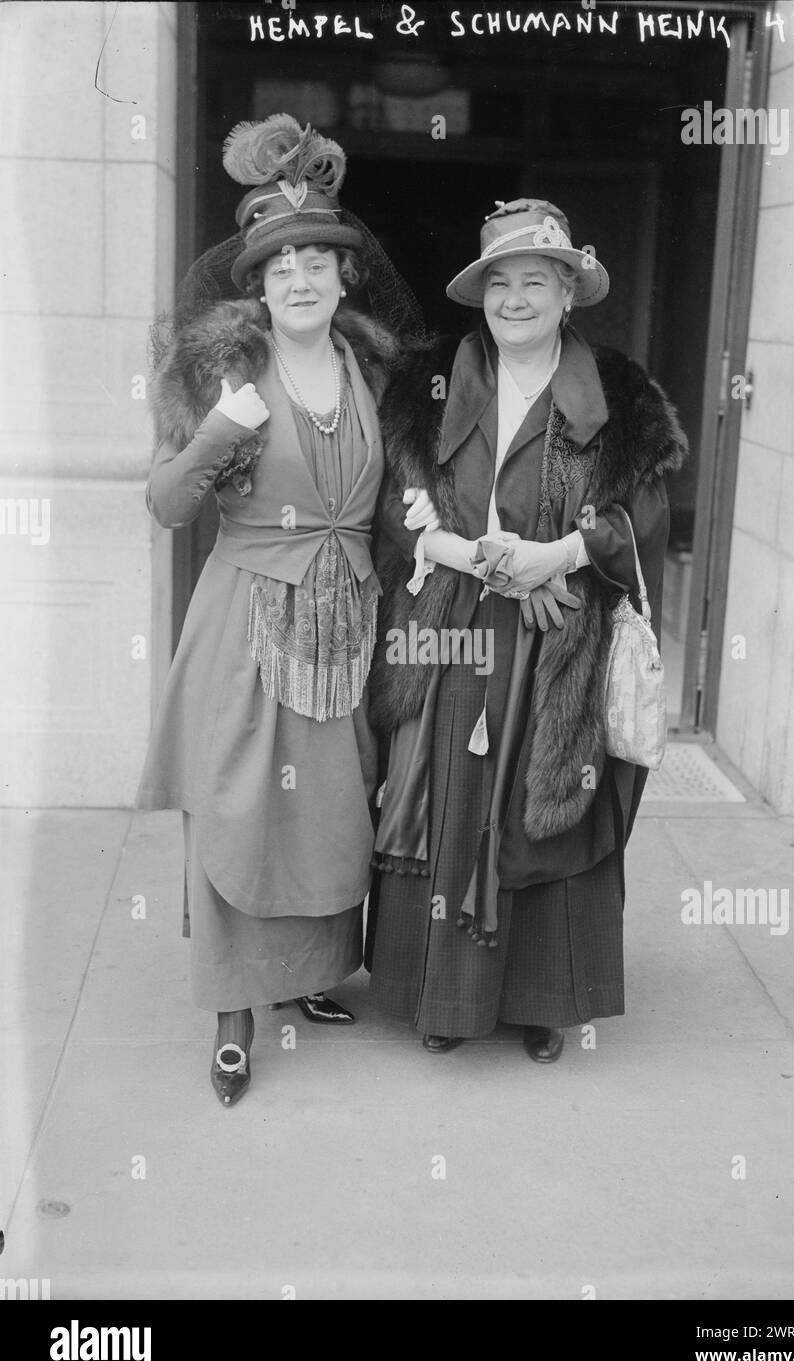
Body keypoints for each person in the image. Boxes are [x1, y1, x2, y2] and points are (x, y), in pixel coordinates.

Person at [137, 114, 422, 1105]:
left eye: (317, 261)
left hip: (345, 615)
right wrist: (224, 425)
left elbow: (379, 499)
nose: (300, 279)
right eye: (281, 265)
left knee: (326, 808)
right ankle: (230, 1013)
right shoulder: (225, 373)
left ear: (345, 278)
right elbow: (168, 504)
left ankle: (302, 980)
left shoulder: (367, 370)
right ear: (257, 285)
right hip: (246, 618)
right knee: (239, 806)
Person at [366, 199, 688, 1064]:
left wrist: (565, 554)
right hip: (457, 632)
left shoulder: (619, 393)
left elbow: (645, 511)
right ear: (480, 295)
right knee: (452, 799)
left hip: (563, 632)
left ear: (569, 291)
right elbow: (394, 513)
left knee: (548, 804)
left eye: (535, 282)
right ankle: (445, 998)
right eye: (500, 282)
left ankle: (545, 1000)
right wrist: (449, 544)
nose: (516, 299)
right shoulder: (425, 383)